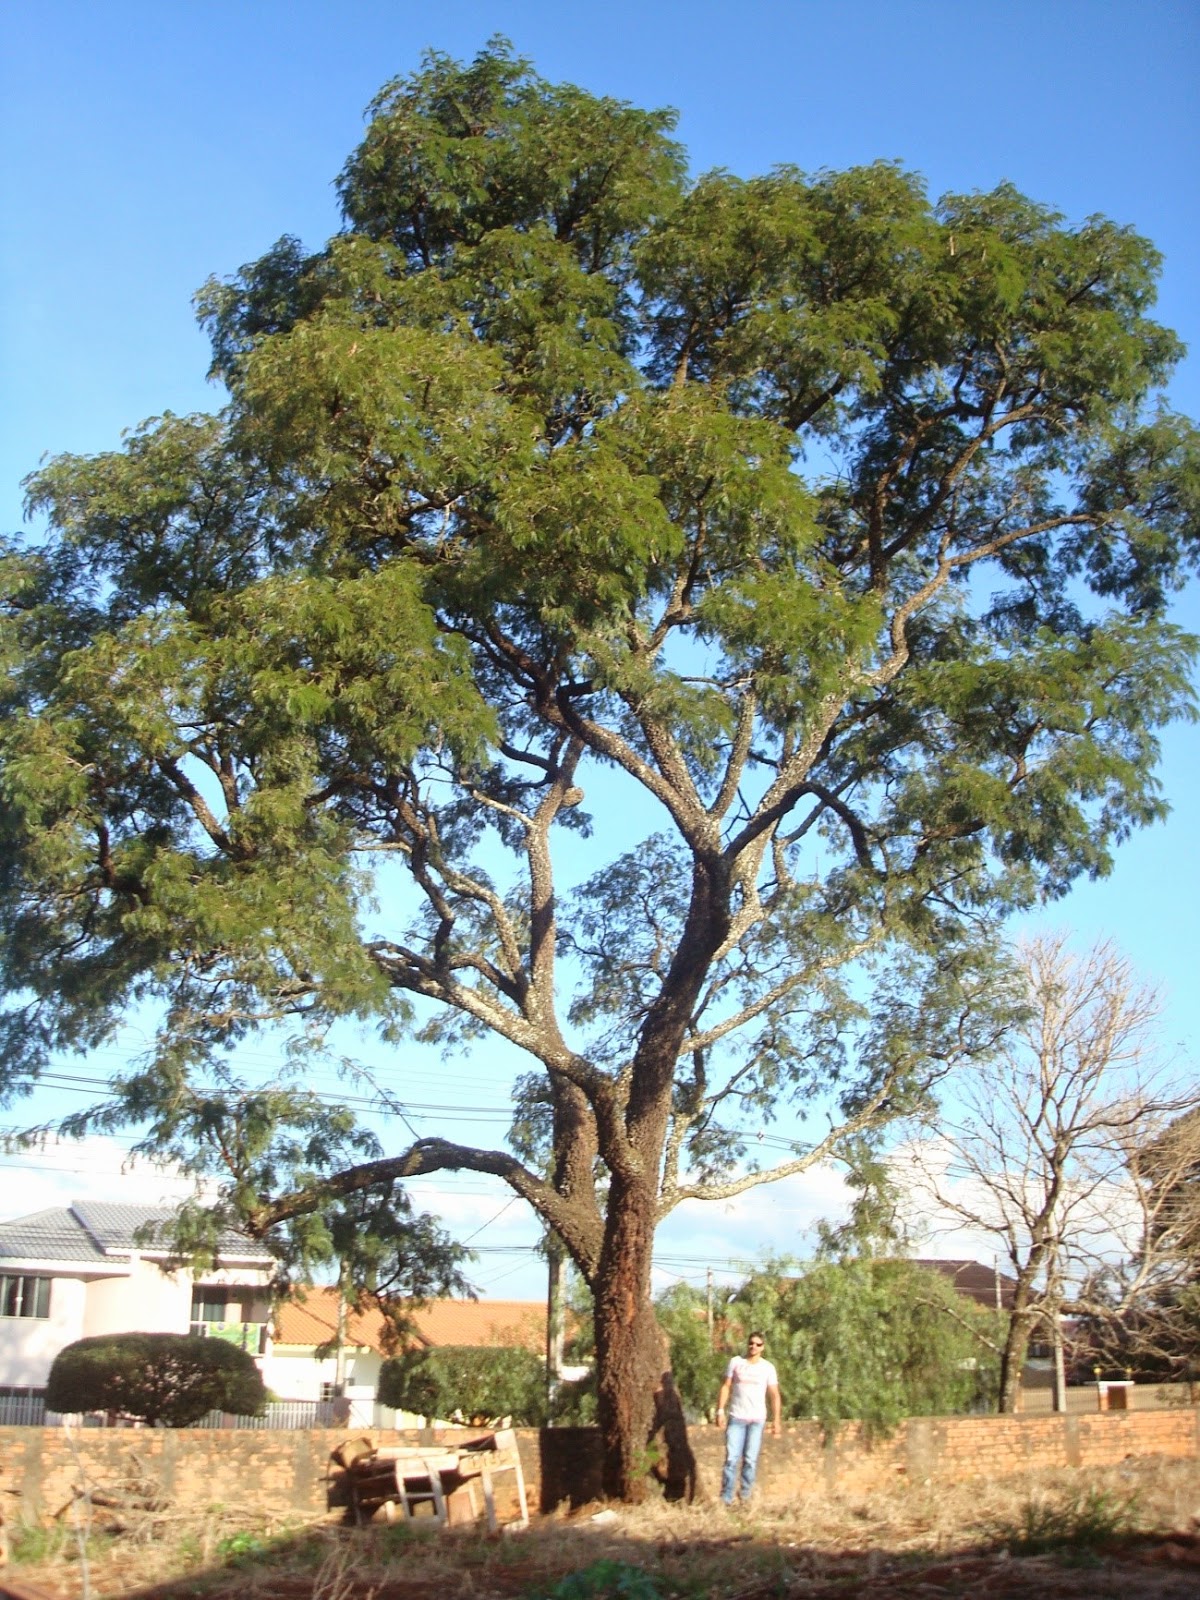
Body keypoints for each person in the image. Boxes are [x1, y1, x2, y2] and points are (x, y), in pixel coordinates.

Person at [715, 1331, 781, 1505]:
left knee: (750, 1460)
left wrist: (776, 1421)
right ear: (747, 1344)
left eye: (758, 1344)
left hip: (756, 1419)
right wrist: (720, 1411)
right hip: (737, 1417)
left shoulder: (767, 1368)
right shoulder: (736, 1363)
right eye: (751, 1343)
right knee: (731, 1459)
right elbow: (726, 1386)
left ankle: (745, 1496)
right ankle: (726, 1498)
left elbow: (774, 1395)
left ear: (763, 1347)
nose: (754, 1347)